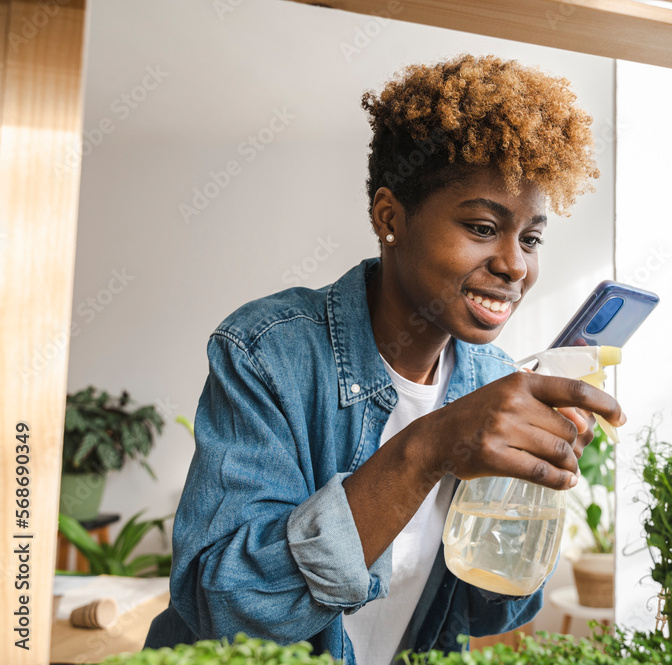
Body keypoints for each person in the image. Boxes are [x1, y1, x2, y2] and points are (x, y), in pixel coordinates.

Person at [144, 53, 624, 664]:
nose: (515, 265)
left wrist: (528, 495)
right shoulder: (269, 353)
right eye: (482, 227)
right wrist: (430, 447)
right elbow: (228, 611)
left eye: (530, 237)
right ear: (389, 217)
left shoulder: (497, 382)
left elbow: (487, 610)